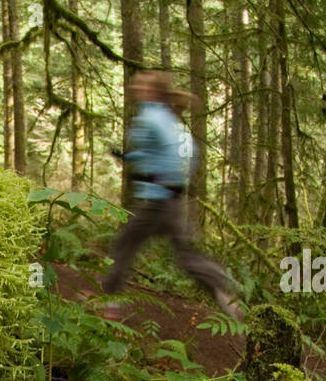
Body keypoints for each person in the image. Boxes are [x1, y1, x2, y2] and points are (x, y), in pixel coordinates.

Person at [99, 70, 244, 323]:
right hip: (173, 201)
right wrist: (128, 158)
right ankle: (224, 291)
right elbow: (189, 149)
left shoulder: (150, 115)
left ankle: (109, 304)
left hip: (157, 201)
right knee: (186, 256)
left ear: (152, 91)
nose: (136, 90)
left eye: (141, 86)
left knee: (124, 244)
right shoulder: (168, 116)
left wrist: (164, 178)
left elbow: (170, 150)